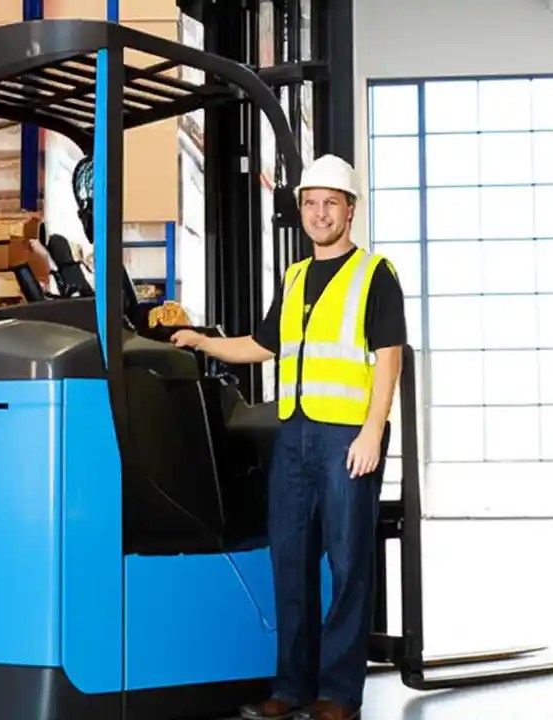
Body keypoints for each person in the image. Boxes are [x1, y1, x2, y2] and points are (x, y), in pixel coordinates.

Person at [170, 154, 406, 720]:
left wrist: (374, 431)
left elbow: (389, 357)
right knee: (290, 561)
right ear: (301, 210)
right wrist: (200, 341)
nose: (319, 213)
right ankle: (292, 687)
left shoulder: (375, 274)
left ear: (350, 210)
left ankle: (340, 694)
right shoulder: (296, 276)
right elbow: (263, 345)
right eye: (310, 203)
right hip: (294, 434)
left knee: (349, 565)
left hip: (348, 435)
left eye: (331, 203)